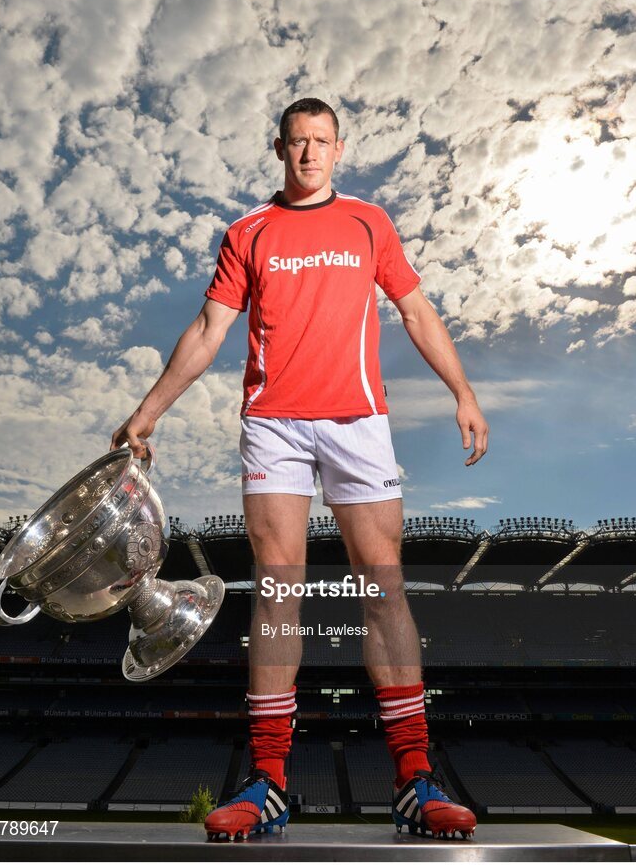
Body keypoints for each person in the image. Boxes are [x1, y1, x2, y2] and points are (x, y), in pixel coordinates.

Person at [111, 97, 489, 841]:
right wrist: (148, 409)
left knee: (382, 590)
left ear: (338, 149)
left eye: (322, 142)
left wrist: (463, 391)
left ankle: (415, 778)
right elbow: (209, 327)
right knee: (279, 591)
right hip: (275, 427)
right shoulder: (248, 232)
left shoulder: (368, 223)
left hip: (359, 424)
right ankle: (267, 782)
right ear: (278, 148)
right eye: (297, 142)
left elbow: (416, 310)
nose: (309, 153)